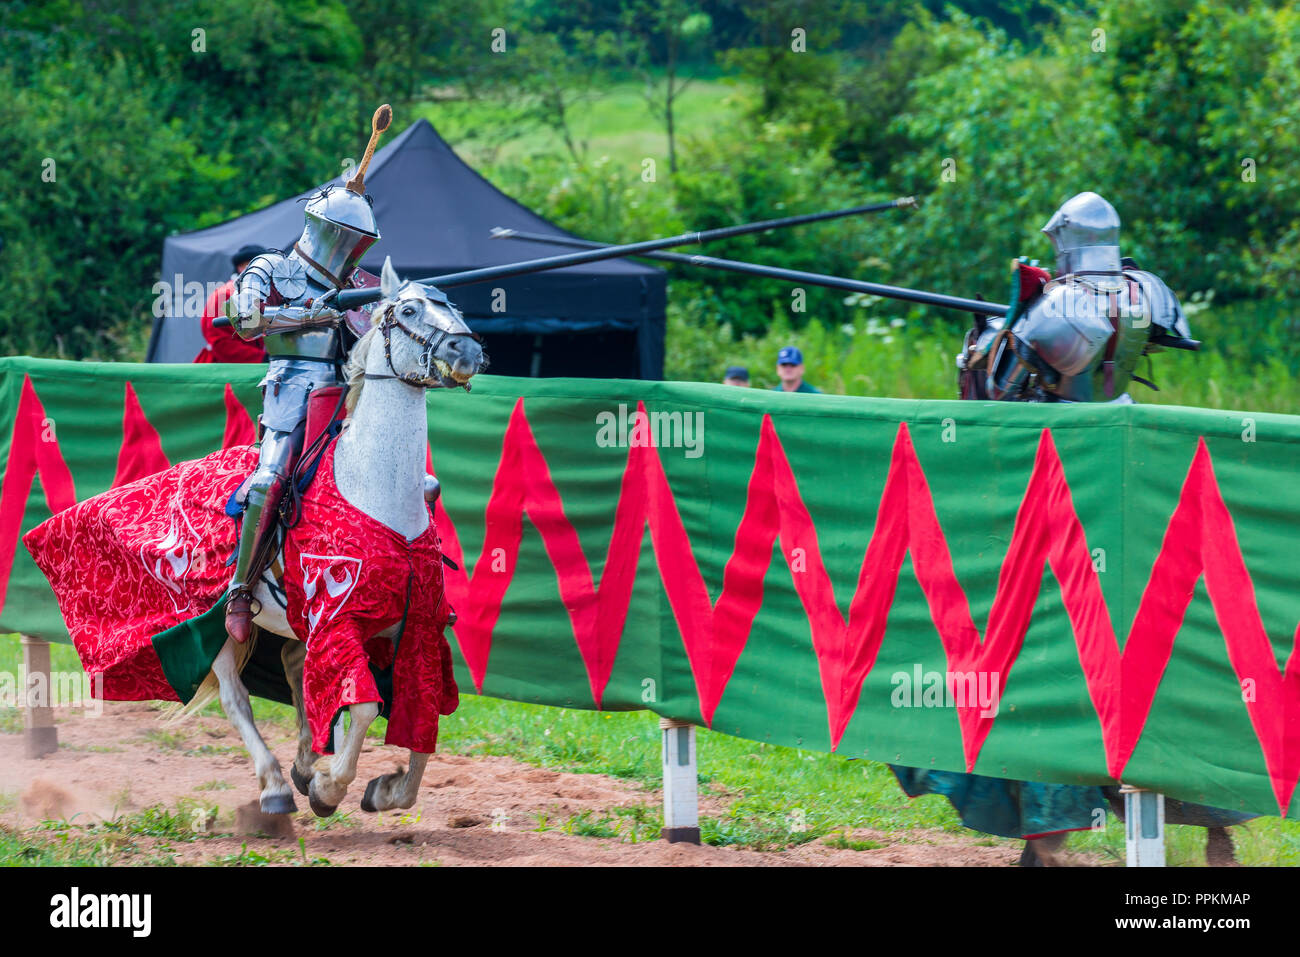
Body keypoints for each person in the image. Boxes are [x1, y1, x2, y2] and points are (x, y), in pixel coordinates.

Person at [897, 191, 1247, 865]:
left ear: (1066, 239)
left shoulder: (1059, 305)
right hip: (1134, 468)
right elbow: (1155, 344)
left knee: (1037, 642)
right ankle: (1214, 826)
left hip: (1065, 478)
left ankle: (1048, 835)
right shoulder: (1145, 289)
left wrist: (986, 340)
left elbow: (1001, 390)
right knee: (1167, 640)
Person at [221, 105, 442, 644]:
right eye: (340, 235)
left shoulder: (362, 282)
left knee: (423, 484)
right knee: (268, 481)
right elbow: (242, 319)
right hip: (292, 390)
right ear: (320, 226)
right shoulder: (271, 267)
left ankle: (414, 587)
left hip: (349, 398)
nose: (346, 250)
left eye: (356, 241)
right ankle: (241, 590)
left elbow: (378, 342)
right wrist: (312, 312)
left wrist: (383, 307)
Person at [194, 244, 271, 364]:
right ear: (241, 267)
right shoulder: (225, 295)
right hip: (228, 369)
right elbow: (220, 343)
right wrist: (262, 359)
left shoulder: (264, 293)